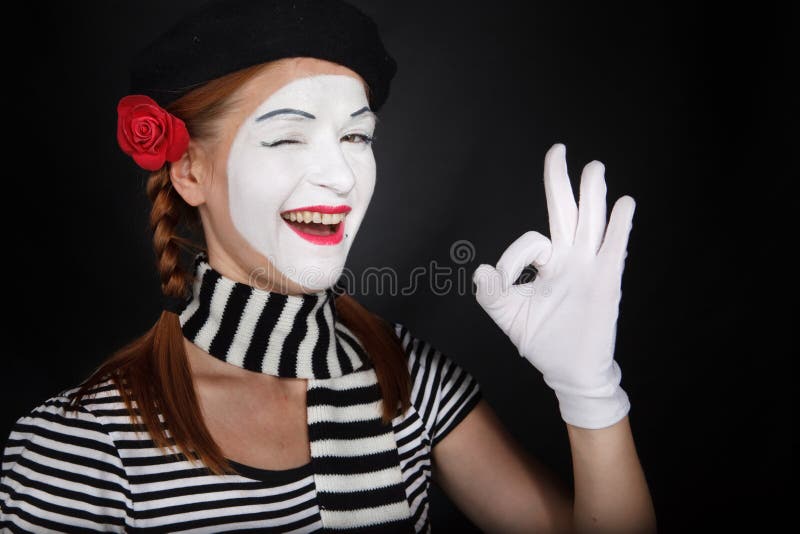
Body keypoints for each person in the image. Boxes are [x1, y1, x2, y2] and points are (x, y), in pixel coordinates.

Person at [0, 0, 656, 532]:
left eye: (355, 137)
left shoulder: (408, 378)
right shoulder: (77, 448)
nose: (340, 175)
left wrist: (591, 393)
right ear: (190, 171)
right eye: (287, 136)